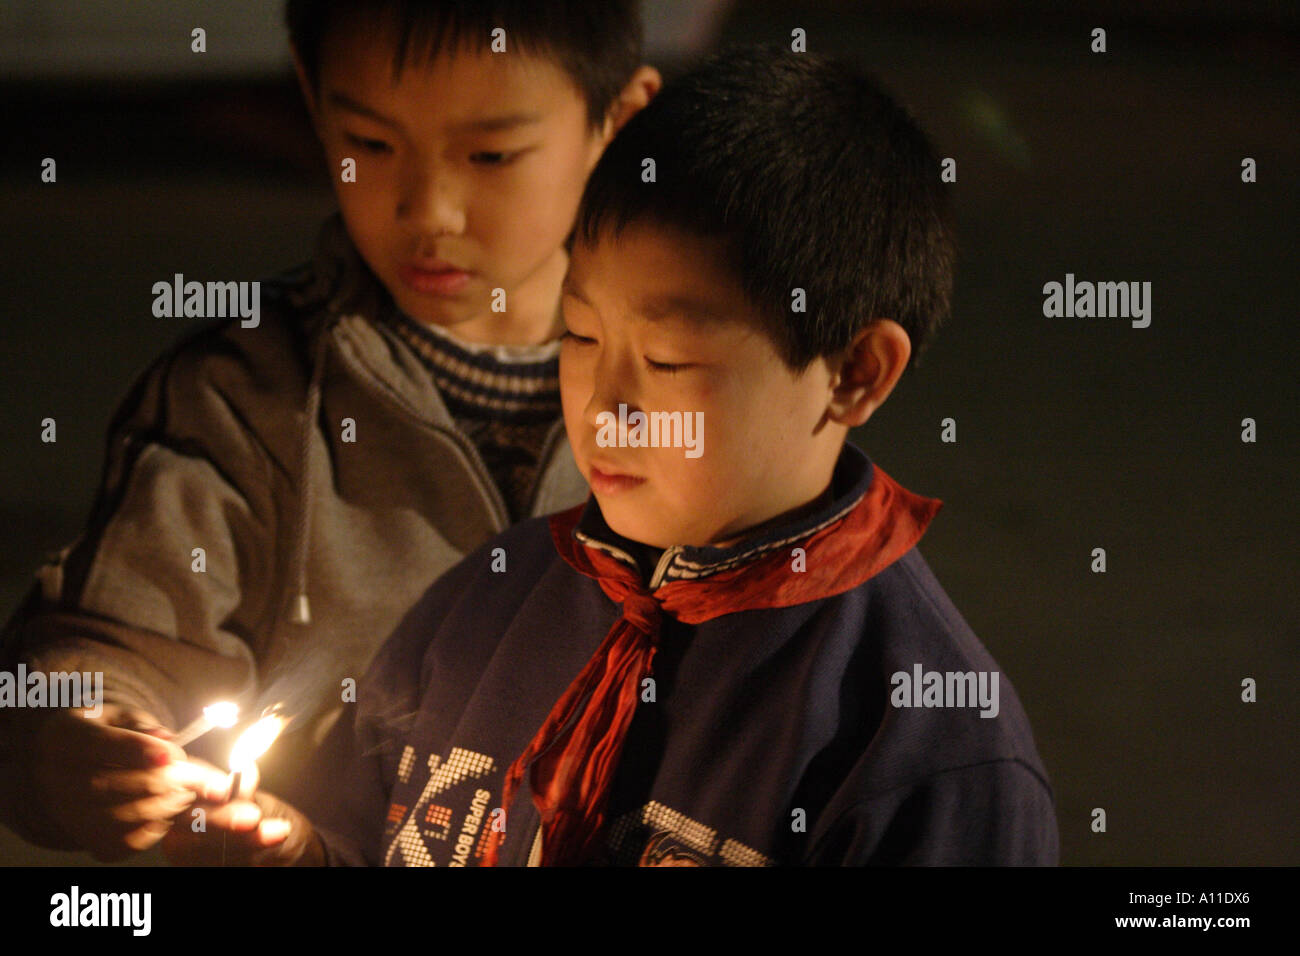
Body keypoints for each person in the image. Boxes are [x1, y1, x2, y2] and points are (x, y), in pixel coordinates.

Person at [170, 44, 1059, 866]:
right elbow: (357, 838)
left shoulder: (927, 752)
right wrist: (291, 850)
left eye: (669, 361)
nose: (604, 408)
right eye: (580, 335)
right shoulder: (487, 603)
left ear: (855, 374)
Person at [0, 0, 660, 862]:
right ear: (312, 101)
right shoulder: (245, 396)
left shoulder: (700, 399)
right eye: (372, 146)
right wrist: (78, 740)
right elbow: (105, 650)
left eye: (491, 154)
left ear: (619, 119)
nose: (430, 211)